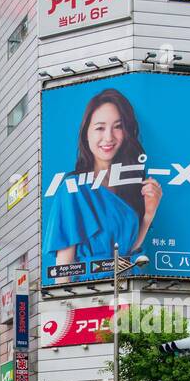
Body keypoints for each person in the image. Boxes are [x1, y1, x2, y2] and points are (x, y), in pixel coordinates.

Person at [44, 88, 162, 273]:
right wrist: (64, 300)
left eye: (117, 126)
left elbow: (130, 253)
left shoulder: (132, 185)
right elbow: (64, 264)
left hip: (127, 288)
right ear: (86, 133)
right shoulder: (73, 188)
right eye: (100, 128)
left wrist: (148, 214)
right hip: (89, 292)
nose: (109, 137)